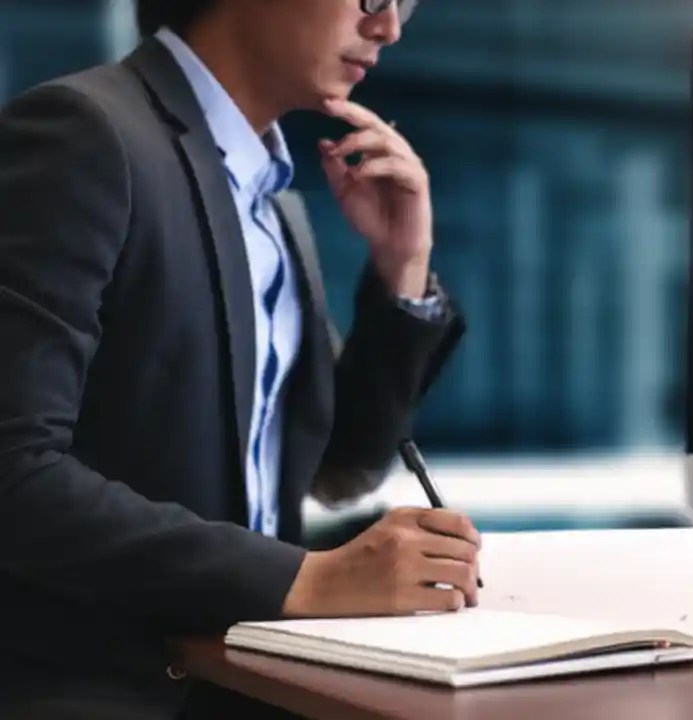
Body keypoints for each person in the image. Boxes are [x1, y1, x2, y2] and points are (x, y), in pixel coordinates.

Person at [0, 0, 483, 716]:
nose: (389, 28)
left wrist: (402, 267)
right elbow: (14, 473)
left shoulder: (273, 205)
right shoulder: (84, 134)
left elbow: (340, 467)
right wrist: (307, 580)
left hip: (247, 689)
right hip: (101, 692)